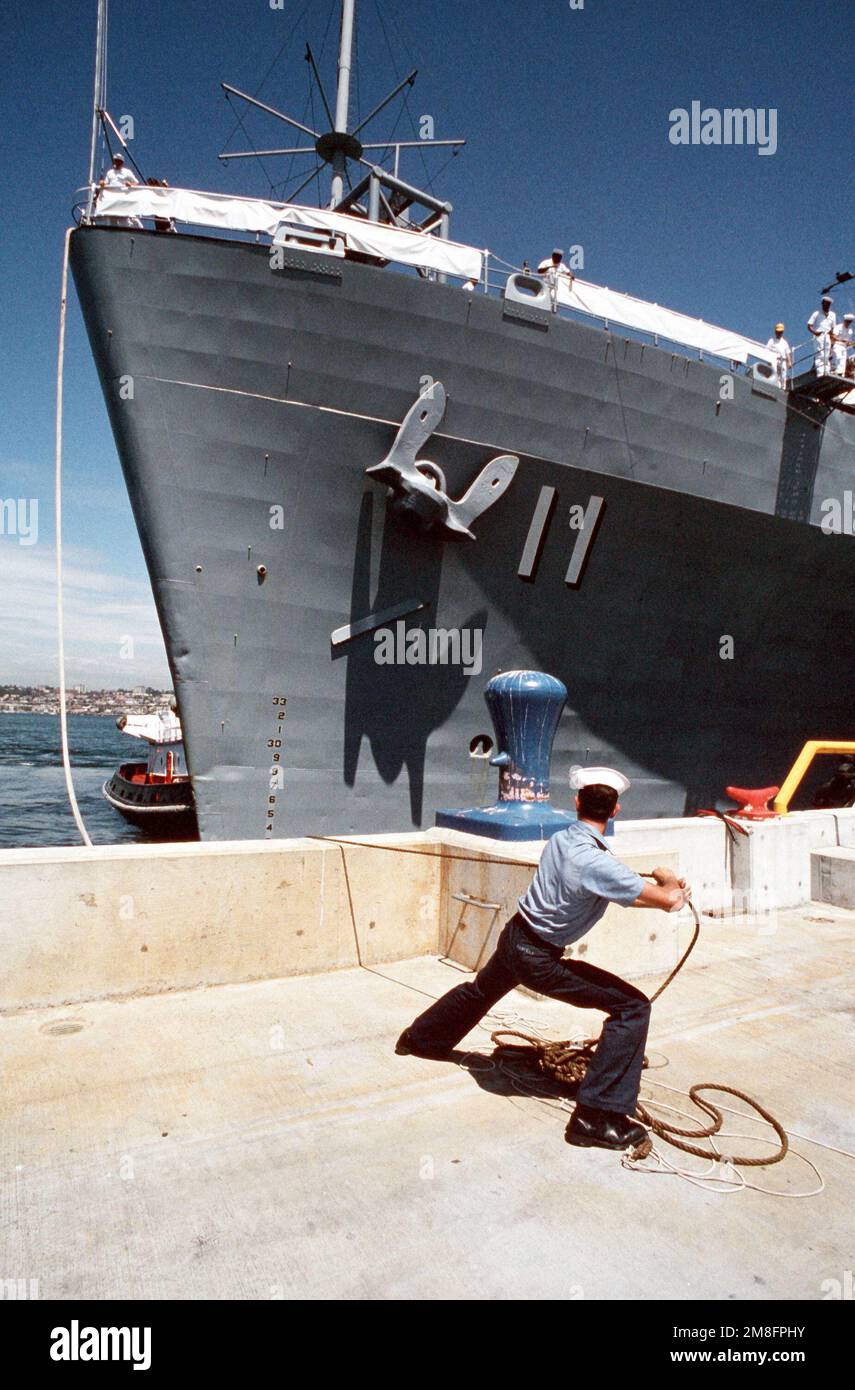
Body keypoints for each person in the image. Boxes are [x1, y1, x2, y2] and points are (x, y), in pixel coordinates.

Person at [395, 766, 692, 1152]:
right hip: (539, 958)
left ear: (576, 802)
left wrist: (649, 890)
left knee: (480, 991)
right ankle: (595, 1117)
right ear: (615, 810)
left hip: (516, 936)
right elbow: (670, 901)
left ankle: (421, 1039)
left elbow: (618, 891)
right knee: (631, 1007)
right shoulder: (599, 862)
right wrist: (668, 879)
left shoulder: (562, 839)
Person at [96, 152, 142, 227]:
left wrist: (130, 184)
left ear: (122, 162)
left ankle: (126, 233)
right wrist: (102, 183)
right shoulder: (110, 172)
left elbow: (136, 182)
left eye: (119, 161)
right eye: (116, 160)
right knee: (111, 220)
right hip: (111, 199)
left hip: (122, 199)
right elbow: (106, 183)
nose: (117, 162)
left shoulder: (127, 172)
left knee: (124, 220)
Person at [807, 295, 837, 375]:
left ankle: (826, 372)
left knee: (827, 355)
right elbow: (809, 326)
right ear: (822, 304)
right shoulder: (816, 314)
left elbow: (832, 329)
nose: (827, 305)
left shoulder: (833, 315)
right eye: (825, 304)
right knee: (820, 354)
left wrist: (833, 339)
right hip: (819, 335)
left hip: (827, 336)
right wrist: (815, 332)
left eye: (828, 304)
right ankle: (820, 373)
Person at [537, 247, 574, 313]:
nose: (558, 259)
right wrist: (550, 267)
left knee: (554, 306)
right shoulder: (547, 262)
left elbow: (568, 272)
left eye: (559, 258)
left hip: (555, 289)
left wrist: (571, 276)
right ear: (553, 256)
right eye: (557, 257)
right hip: (546, 286)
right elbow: (539, 270)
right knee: (540, 301)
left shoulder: (561, 266)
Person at [765, 322, 792, 389]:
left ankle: (783, 387)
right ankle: (776, 386)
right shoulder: (771, 341)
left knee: (783, 375)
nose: (779, 333)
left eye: (780, 332)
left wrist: (789, 362)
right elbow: (766, 350)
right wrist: (768, 361)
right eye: (778, 332)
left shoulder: (784, 342)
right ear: (775, 332)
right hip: (774, 360)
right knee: (775, 374)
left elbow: (787, 352)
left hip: (783, 360)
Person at [832, 312, 854, 377]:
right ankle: (836, 372)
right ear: (844, 321)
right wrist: (842, 340)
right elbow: (834, 336)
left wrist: (851, 344)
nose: (847, 323)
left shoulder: (850, 330)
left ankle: (841, 374)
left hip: (844, 347)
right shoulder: (838, 327)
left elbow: (848, 341)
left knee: (843, 361)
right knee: (838, 358)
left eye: (849, 322)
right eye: (847, 321)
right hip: (837, 345)